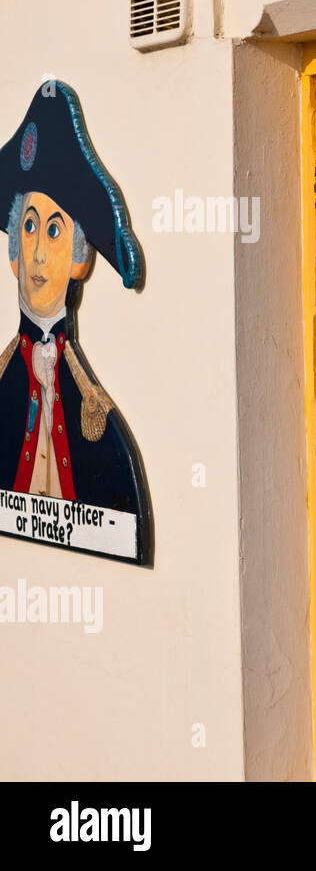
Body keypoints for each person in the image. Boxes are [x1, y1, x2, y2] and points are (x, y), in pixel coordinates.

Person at [0, 81, 149, 563]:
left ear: (80, 260)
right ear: (14, 257)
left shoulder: (96, 416)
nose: (39, 251)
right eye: (29, 226)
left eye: (54, 229)